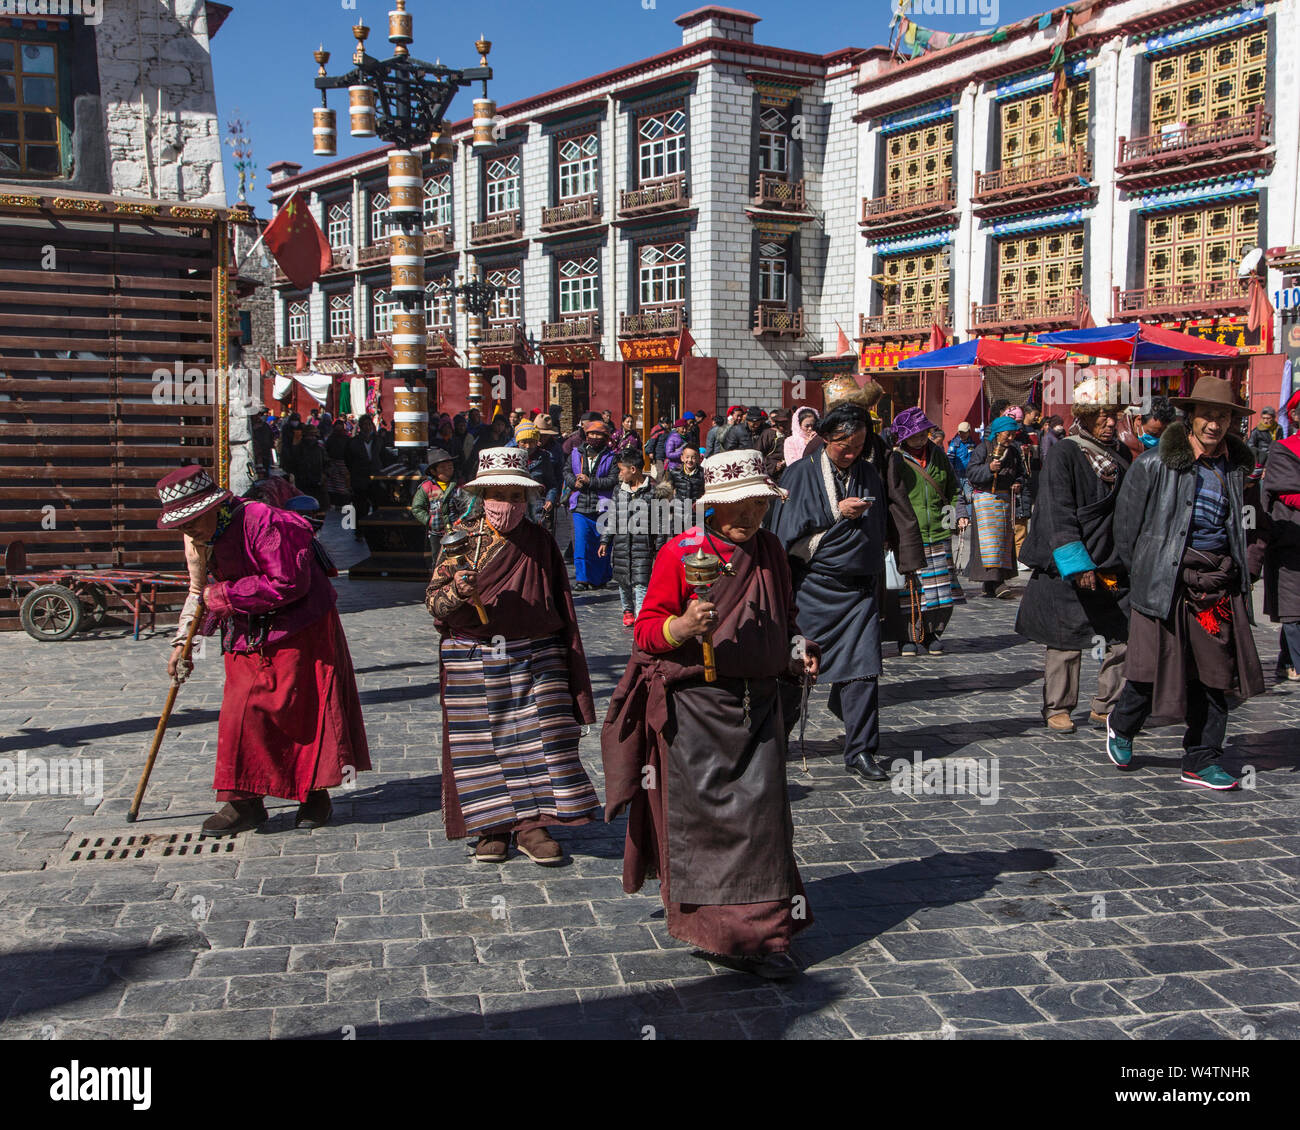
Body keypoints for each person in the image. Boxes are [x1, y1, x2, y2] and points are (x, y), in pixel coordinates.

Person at [602, 449, 820, 979]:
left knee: (763, 824)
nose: (747, 518)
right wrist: (680, 628)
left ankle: (765, 935)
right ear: (713, 508)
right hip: (696, 713)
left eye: (756, 506)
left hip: (760, 706)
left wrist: (798, 649)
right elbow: (647, 631)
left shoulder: (770, 550)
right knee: (710, 831)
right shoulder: (681, 553)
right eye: (735, 507)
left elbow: (784, 618)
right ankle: (723, 934)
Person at [159, 465, 370, 833]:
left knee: (305, 709)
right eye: (182, 526)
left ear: (212, 509)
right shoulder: (196, 535)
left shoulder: (266, 523)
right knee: (240, 711)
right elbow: (198, 592)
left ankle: (314, 794)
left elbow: (287, 582)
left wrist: (222, 595)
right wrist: (183, 644)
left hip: (301, 626)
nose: (188, 532)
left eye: (192, 523)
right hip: (247, 627)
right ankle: (243, 802)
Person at [427, 449, 602, 863]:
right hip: (475, 655)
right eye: (500, 495)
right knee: (483, 747)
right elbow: (434, 604)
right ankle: (494, 827)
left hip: (536, 658)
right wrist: (458, 593)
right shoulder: (461, 537)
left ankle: (533, 824)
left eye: (517, 496)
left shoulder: (539, 540)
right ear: (484, 494)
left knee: (542, 742)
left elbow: (560, 604)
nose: (508, 505)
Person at [1108, 376, 1265, 790]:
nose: (1214, 424)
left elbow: (1247, 526)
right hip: (1163, 579)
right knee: (1147, 670)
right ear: (1190, 417)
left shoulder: (1236, 467)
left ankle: (1201, 757)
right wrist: (1144, 575)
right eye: (1207, 416)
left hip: (1215, 583)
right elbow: (1126, 530)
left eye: (1223, 417)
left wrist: (1244, 565)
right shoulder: (1154, 463)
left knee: (1215, 674)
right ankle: (1122, 726)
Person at [772, 405, 890, 784]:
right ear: (825, 438)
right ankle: (774, 741)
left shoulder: (869, 473)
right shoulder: (800, 474)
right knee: (793, 671)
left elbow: (878, 529)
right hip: (810, 589)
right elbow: (788, 540)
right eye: (844, 446)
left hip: (858, 594)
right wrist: (840, 517)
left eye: (859, 445)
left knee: (864, 672)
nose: (852, 453)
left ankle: (861, 750)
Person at [1015, 380, 1132, 734]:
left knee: (1122, 635)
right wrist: (1077, 563)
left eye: (1113, 415)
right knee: (1065, 638)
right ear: (1084, 416)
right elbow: (1057, 510)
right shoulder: (1066, 453)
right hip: (1070, 562)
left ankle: (1107, 705)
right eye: (1101, 415)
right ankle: (1058, 707)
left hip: (1112, 560)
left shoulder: (1122, 455)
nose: (1109, 422)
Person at [887, 407, 966, 657]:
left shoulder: (938, 455)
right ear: (903, 436)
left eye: (924, 433)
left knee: (940, 591)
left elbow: (953, 488)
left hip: (939, 532)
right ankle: (907, 637)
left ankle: (933, 633)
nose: (921, 438)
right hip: (909, 533)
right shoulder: (895, 459)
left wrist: (958, 514)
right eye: (915, 434)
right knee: (911, 589)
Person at [599, 450, 670, 626]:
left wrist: (659, 547)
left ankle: (641, 616)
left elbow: (660, 523)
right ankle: (627, 610)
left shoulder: (652, 493)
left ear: (632, 469)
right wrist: (605, 540)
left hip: (643, 546)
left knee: (641, 582)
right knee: (623, 580)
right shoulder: (619, 491)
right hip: (622, 544)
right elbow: (613, 516)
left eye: (621, 470)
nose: (619, 473)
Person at [1259, 390, 1300, 681]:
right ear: (1295, 415)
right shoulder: (1283, 449)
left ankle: (1285, 661)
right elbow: (1284, 490)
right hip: (1291, 536)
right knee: (1293, 605)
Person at [966, 415, 1025, 599]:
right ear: (998, 434)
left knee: (1002, 543)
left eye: (1013, 434)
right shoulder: (983, 449)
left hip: (1004, 500)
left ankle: (990, 583)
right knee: (989, 543)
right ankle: (997, 582)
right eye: (1007, 434)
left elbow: (1021, 473)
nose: (1010, 438)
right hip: (985, 500)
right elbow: (971, 473)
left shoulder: (1014, 452)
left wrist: (1017, 482)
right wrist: (989, 469)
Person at [564, 416, 617, 590]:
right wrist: (574, 483)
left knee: (601, 544)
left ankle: (600, 578)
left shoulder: (612, 457)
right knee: (581, 543)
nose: (594, 437)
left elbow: (612, 480)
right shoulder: (575, 453)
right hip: (580, 505)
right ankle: (582, 579)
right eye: (591, 434)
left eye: (599, 434)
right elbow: (566, 471)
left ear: (606, 438)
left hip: (602, 506)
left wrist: (590, 481)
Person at [410, 447, 475, 549]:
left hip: (458, 530)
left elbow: (469, 506)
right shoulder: (427, 487)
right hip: (436, 533)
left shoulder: (460, 485)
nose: (448, 470)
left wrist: (463, 522)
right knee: (437, 559)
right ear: (433, 471)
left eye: (450, 466)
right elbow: (417, 508)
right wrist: (429, 521)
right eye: (443, 467)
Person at [344, 414, 390, 539]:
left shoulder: (378, 440)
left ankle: (376, 531)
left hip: (376, 477)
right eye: (364, 424)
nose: (367, 427)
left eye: (369, 424)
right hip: (360, 477)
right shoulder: (353, 442)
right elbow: (348, 459)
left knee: (377, 505)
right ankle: (359, 531)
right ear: (360, 427)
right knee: (360, 507)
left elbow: (384, 456)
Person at [946, 421, 977, 501]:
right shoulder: (954, 444)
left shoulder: (972, 444)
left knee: (969, 497)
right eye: (960, 432)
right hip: (957, 476)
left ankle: (969, 514)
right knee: (958, 497)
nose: (962, 434)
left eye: (964, 432)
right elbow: (949, 461)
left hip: (968, 476)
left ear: (969, 432)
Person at [668, 444, 705, 510]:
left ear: (698, 459)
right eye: (687, 457)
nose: (690, 460)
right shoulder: (675, 473)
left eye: (693, 457)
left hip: (696, 511)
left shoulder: (703, 473)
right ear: (682, 458)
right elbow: (667, 491)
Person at [1248, 405, 1279, 478]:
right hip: (1261, 462)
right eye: (1264, 418)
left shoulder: (1278, 429)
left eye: (1268, 418)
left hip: (1275, 460)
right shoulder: (1257, 431)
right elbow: (1250, 446)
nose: (1265, 421)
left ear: (1273, 418)